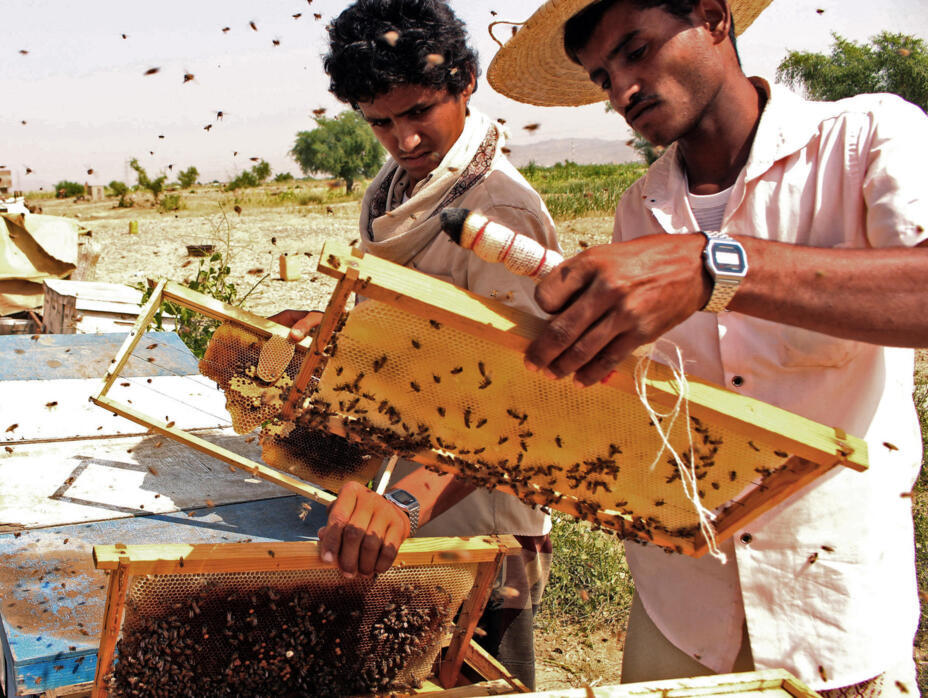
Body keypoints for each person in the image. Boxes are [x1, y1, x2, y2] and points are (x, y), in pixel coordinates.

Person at [486, 0, 928, 693]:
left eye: (636, 50)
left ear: (714, 18)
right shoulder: (640, 210)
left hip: (834, 614)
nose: (622, 91)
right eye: (603, 77)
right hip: (682, 614)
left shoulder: (867, 139)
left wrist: (712, 268)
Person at [270, 0, 561, 687]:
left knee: (477, 679)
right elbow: (423, 334)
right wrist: (333, 329)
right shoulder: (402, 189)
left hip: (477, 517)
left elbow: (524, 390)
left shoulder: (497, 209)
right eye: (381, 122)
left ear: (465, 82)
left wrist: (406, 502)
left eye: (419, 112)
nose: (402, 139)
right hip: (399, 499)